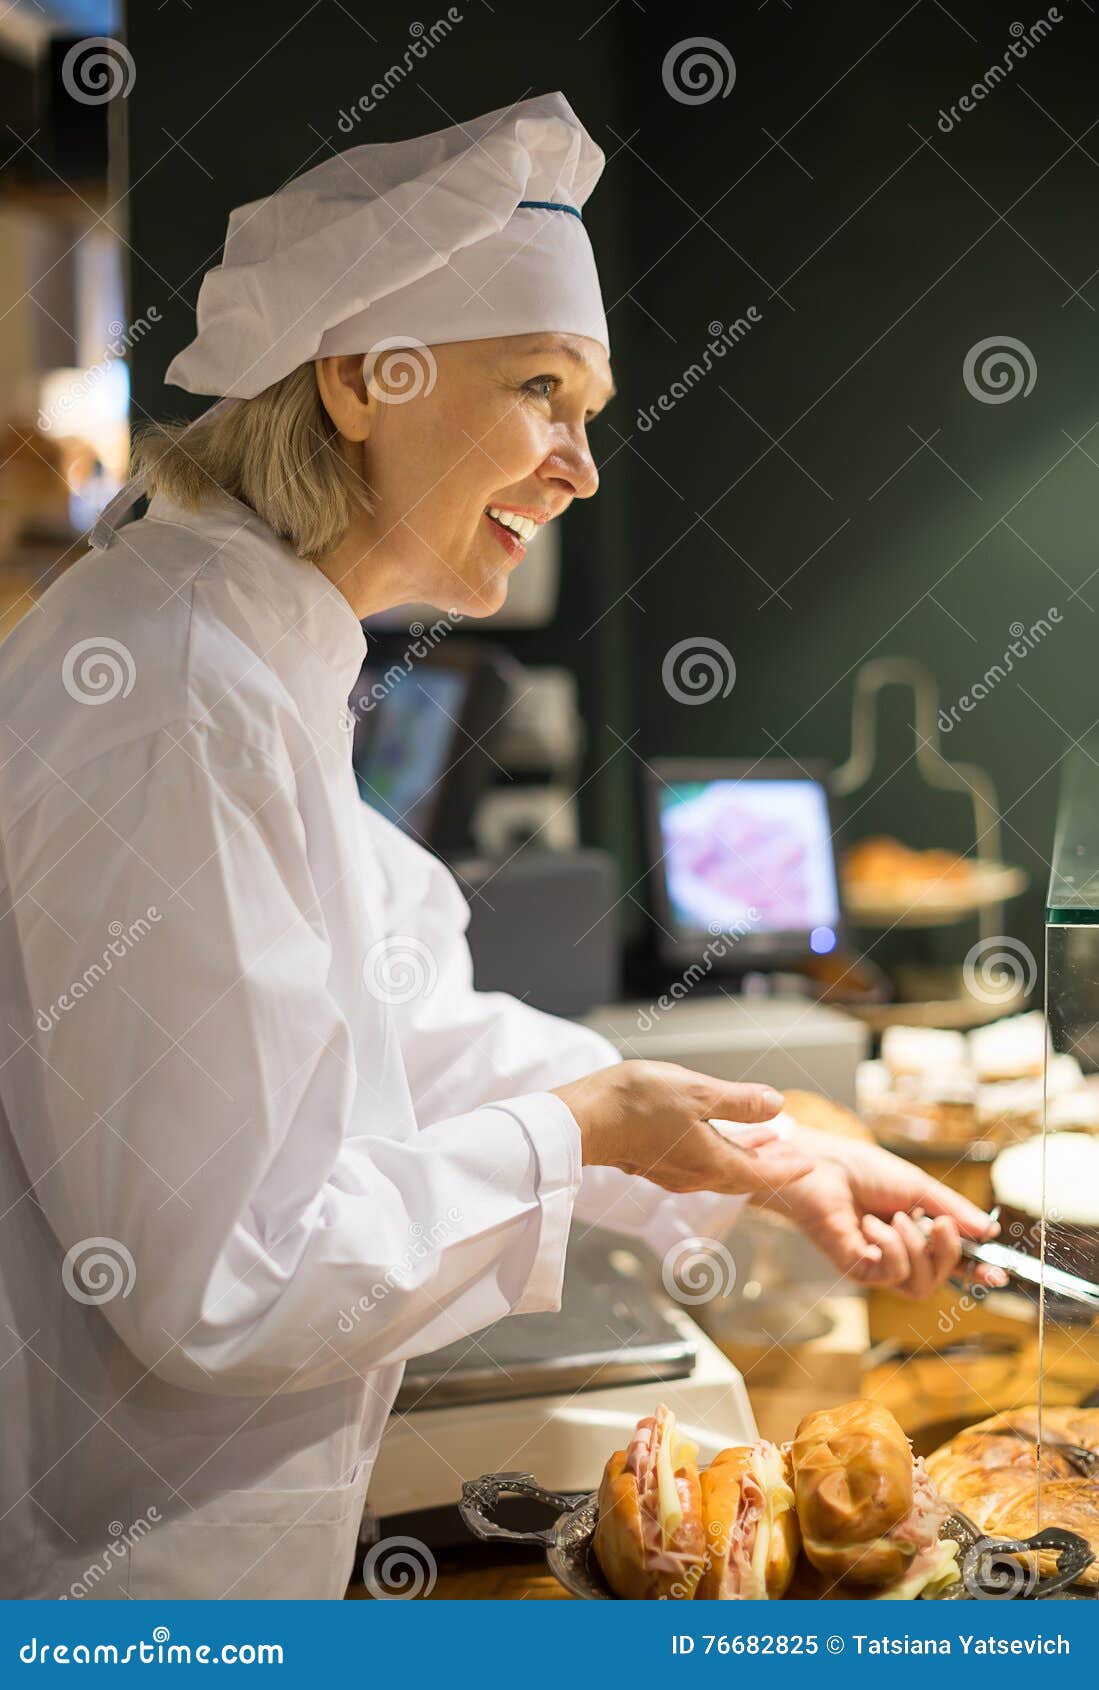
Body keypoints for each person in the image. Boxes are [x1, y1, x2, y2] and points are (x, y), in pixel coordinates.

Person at [0, 94, 999, 1600]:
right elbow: (221, 1279)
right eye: (543, 389)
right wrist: (585, 1126)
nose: (582, 467)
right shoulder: (180, 692)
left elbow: (397, 1037)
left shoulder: (247, 645)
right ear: (355, 377)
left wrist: (774, 1153)